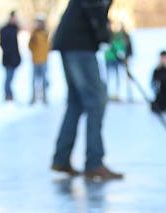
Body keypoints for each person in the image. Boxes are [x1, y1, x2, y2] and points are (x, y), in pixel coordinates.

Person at [51, 0, 123, 180]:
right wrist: (103, 34)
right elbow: (94, 6)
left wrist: (103, 34)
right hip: (79, 45)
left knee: (76, 103)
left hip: (72, 42)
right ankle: (94, 163)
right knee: (96, 101)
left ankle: (61, 159)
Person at [0, 11, 21, 102]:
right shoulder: (5, 30)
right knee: (8, 78)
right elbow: (3, 44)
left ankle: (9, 94)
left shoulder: (14, 29)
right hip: (8, 59)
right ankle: (8, 95)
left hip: (14, 59)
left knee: (10, 78)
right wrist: (9, 54)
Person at [28, 16, 50, 105]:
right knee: (34, 80)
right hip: (35, 60)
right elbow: (30, 46)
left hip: (44, 60)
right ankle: (33, 97)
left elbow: (48, 47)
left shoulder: (46, 34)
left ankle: (44, 97)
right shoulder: (34, 34)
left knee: (44, 79)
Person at [104, 23, 126, 101]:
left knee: (115, 77)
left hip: (115, 59)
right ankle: (109, 94)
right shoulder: (107, 35)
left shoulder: (118, 36)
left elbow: (120, 46)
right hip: (109, 59)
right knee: (109, 77)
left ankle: (115, 94)